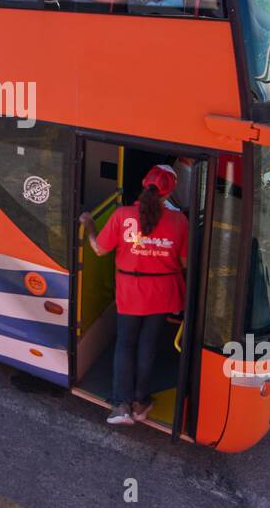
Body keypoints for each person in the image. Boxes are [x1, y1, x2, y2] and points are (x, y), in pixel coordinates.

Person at [78, 165, 189, 425]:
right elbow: (184, 263)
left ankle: (121, 405)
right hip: (162, 293)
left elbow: (99, 249)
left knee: (125, 344)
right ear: (171, 191)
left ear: (143, 183)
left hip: (130, 292)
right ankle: (140, 402)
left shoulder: (122, 215)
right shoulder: (180, 222)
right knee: (147, 346)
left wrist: (90, 224)